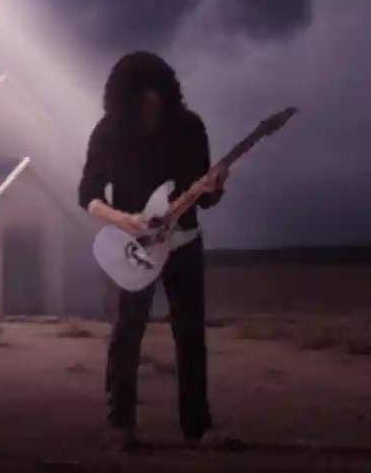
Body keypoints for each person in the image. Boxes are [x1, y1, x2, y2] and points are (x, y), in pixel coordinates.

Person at [78, 50, 230, 453]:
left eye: (158, 99)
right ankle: (120, 424)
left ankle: (198, 429)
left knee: (191, 335)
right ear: (125, 100)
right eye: (143, 100)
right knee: (126, 333)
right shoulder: (108, 132)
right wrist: (123, 219)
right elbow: (88, 197)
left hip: (184, 243)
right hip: (133, 246)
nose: (152, 108)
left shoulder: (190, 127)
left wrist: (216, 188)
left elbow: (206, 199)